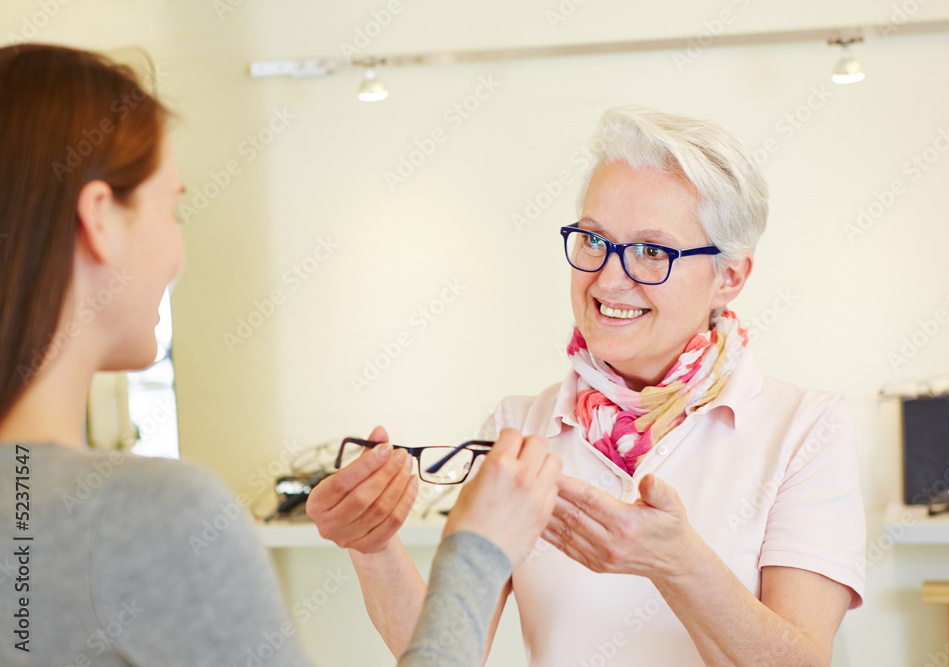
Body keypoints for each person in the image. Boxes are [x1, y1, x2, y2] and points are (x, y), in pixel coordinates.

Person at [0, 43, 561, 667]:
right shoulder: (150, 517)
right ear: (99, 218)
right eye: (173, 208)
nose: (178, 252)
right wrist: (477, 551)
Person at [307, 107, 866, 665]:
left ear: (729, 277)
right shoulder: (517, 428)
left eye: (652, 251)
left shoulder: (805, 428)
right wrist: (373, 545)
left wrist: (677, 564)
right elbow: (447, 650)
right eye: (593, 240)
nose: (608, 277)